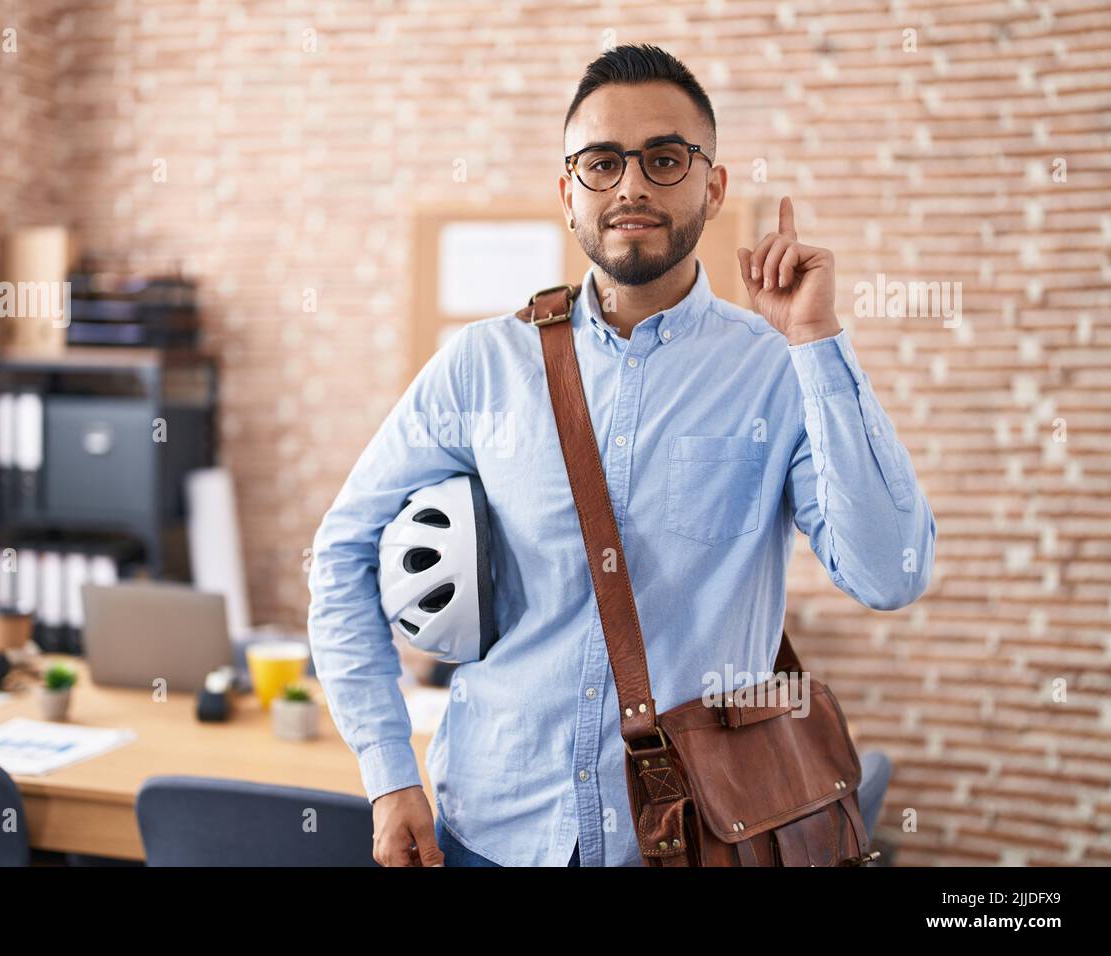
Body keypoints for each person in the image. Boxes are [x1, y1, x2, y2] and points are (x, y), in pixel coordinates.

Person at [307, 43, 936, 867]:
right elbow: (340, 551)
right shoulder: (481, 365)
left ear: (712, 187)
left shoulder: (781, 369)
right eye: (602, 163)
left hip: (701, 839)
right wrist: (389, 774)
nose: (631, 185)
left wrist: (816, 343)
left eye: (664, 159)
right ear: (568, 193)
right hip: (489, 836)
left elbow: (890, 573)